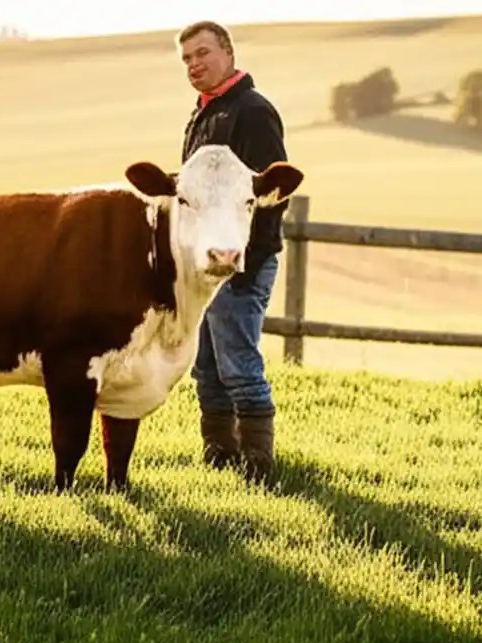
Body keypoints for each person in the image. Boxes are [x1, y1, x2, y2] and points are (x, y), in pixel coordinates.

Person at [176, 20, 290, 484]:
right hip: (206, 268)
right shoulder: (203, 114)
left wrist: (243, 263)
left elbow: (272, 192)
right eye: (186, 59)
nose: (194, 65)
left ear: (228, 53)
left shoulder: (252, 111)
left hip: (239, 264)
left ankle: (258, 467)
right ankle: (219, 455)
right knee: (206, 365)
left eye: (202, 53)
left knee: (238, 363)